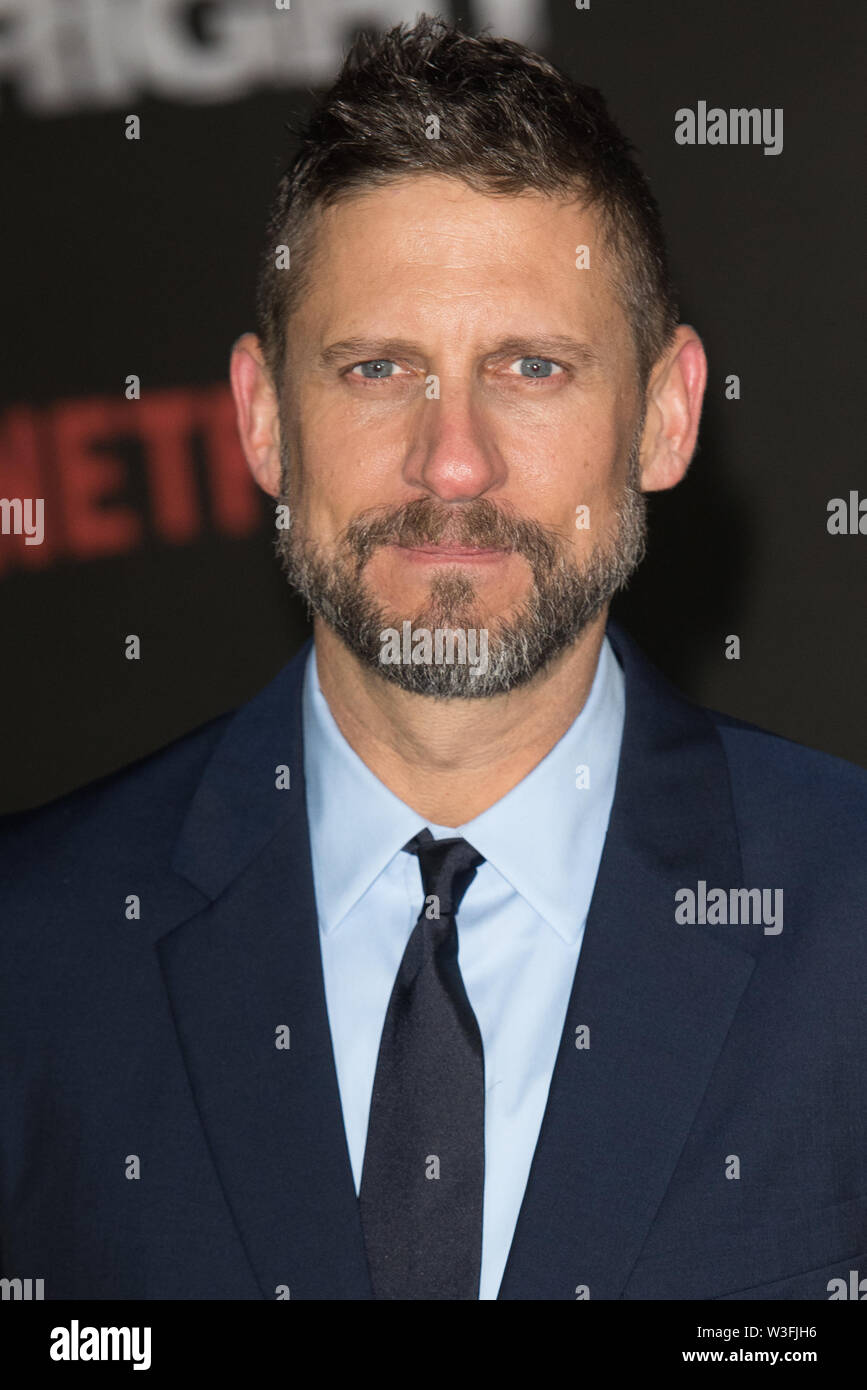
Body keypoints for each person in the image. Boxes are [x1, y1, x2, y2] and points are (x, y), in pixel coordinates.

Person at [1, 16, 865, 1302]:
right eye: (376, 367)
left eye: (530, 365)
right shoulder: (34, 950)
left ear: (668, 415)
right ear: (261, 420)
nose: (451, 460)